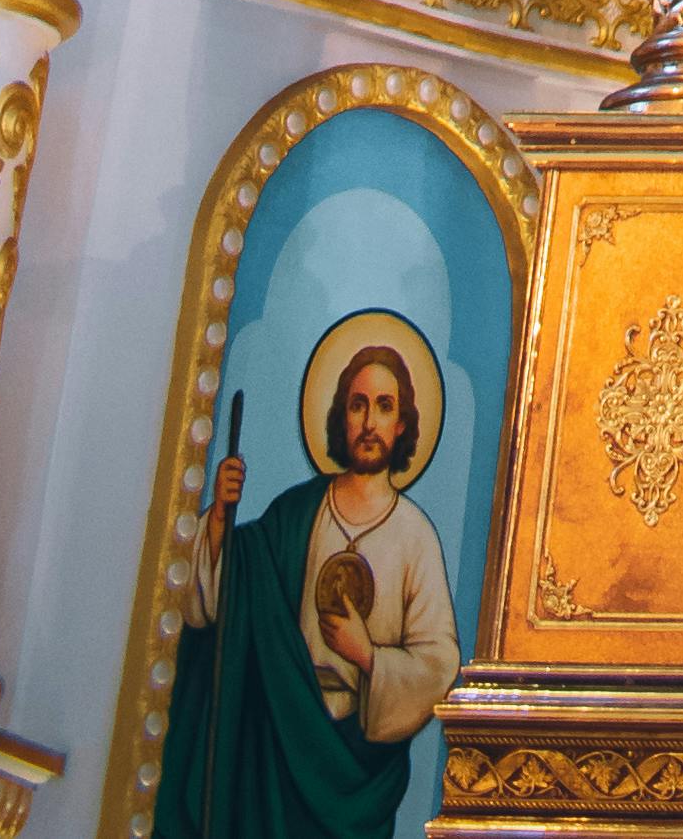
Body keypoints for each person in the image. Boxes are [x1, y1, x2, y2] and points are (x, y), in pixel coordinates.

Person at [164, 341, 461, 839]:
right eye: (358, 404)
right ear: (342, 415)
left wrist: (369, 656)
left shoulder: (416, 537)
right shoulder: (297, 512)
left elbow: (439, 665)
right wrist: (219, 516)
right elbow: (229, 594)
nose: (369, 421)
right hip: (275, 748)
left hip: (356, 769)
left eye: (384, 407)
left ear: (403, 424)